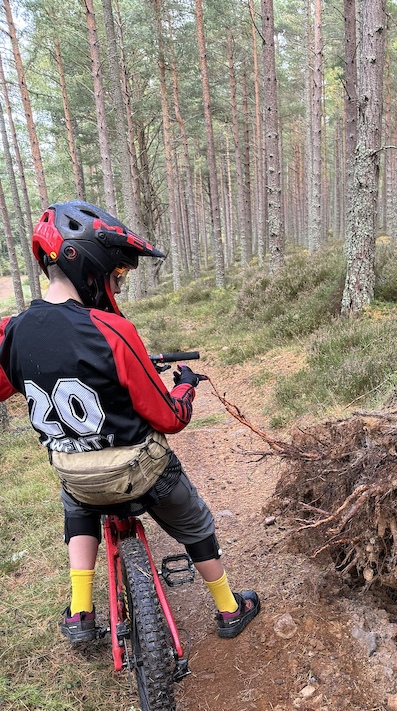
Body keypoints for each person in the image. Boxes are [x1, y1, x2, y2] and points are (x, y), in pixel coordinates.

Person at [0, 200, 260, 642]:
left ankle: (81, 611)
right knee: (194, 520)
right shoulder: (111, 329)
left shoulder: (10, 332)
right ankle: (229, 608)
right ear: (90, 267)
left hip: (74, 472)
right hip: (139, 472)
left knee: (76, 502)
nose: (115, 283)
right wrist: (186, 386)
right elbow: (170, 417)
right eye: (116, 274)